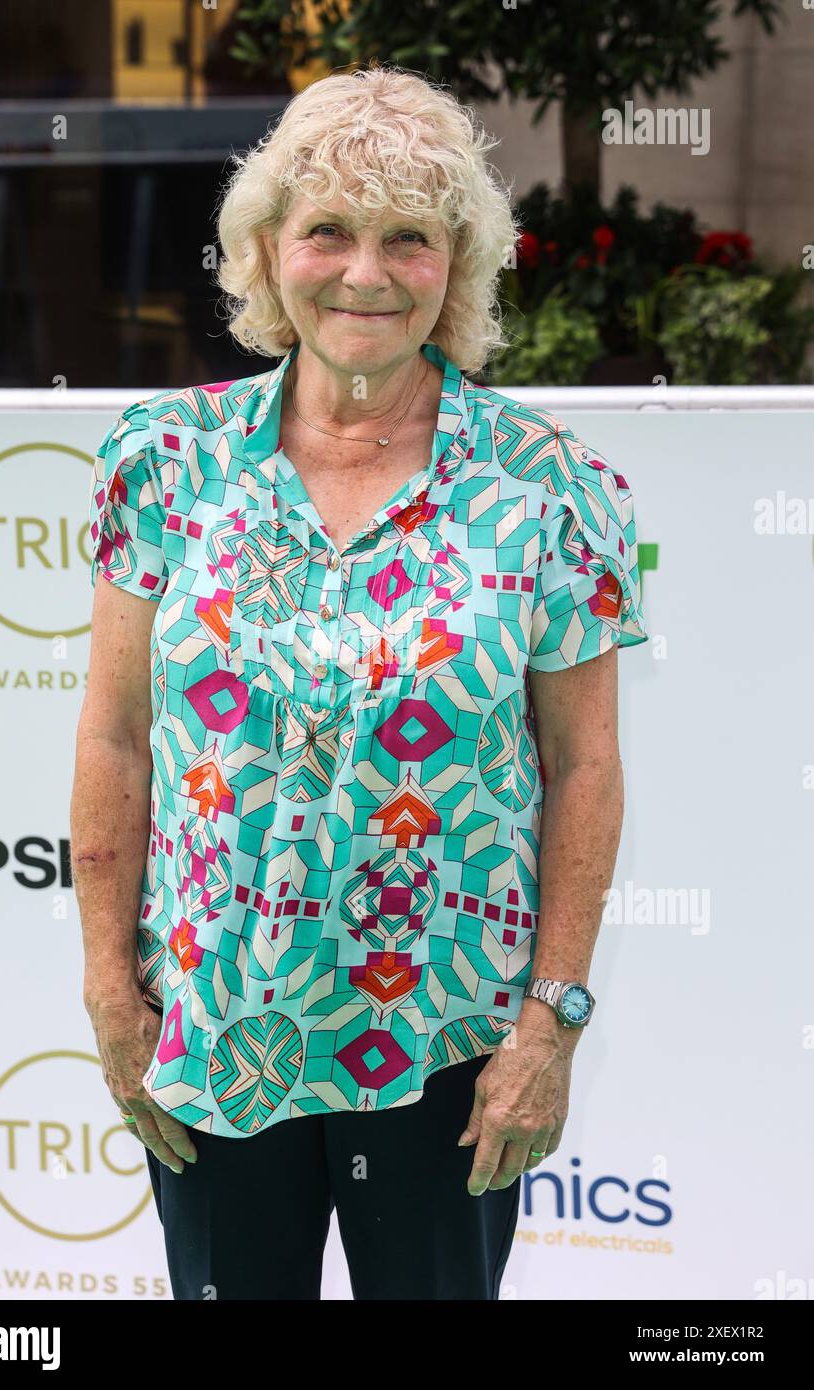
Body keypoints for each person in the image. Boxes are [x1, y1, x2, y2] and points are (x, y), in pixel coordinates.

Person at [71, 64, 649, 1301]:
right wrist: (113, 995)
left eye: (408, 238)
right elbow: (117, 737)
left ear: (458, 264)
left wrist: (547, 1026)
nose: (366, 272)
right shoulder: (164, 459)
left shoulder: (551, 488)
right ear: (267, 247)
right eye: (327, 230)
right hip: (218, 1022)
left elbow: (583, 767)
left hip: (449, 1043)